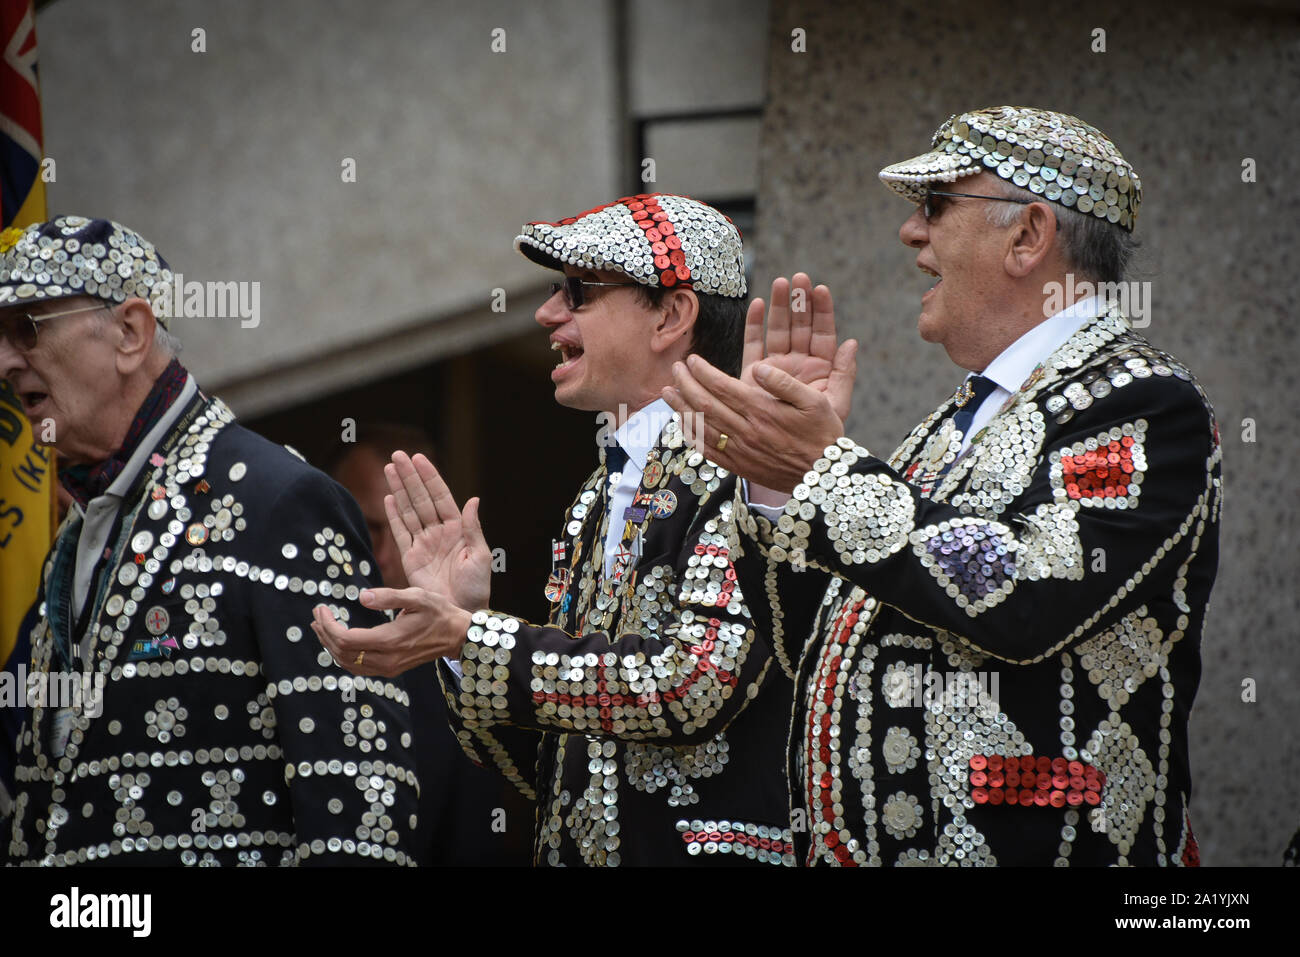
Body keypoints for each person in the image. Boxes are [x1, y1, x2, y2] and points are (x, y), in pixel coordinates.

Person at [665, 106, 1221, 866]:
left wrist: (825, 470)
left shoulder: (1146, 401)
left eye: (934, 206)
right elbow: (819, 646)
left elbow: (1032, 590)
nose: (911, 234)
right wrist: (777, 483)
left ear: (1027, 237)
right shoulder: (951, 422)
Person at [315, 193, 832, 866]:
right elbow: (564, 760)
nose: (548, 313)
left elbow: (693, 682)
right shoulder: (598, 492)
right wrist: (459, 627)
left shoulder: (743, 464)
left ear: (672, 316)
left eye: (580, 291)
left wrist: (474, 638)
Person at [0, 216, 418, 865]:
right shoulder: (76, 534)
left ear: (131, 334)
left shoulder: (280, 501)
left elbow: (358, 806)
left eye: (28, 327)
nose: (4, 359)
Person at [331, 426, 531, 865]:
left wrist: (463, 640)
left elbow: (473, 834)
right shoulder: (293, 640)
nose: (375, 553)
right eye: (358, 531)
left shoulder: (456, 673)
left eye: (393, 532)